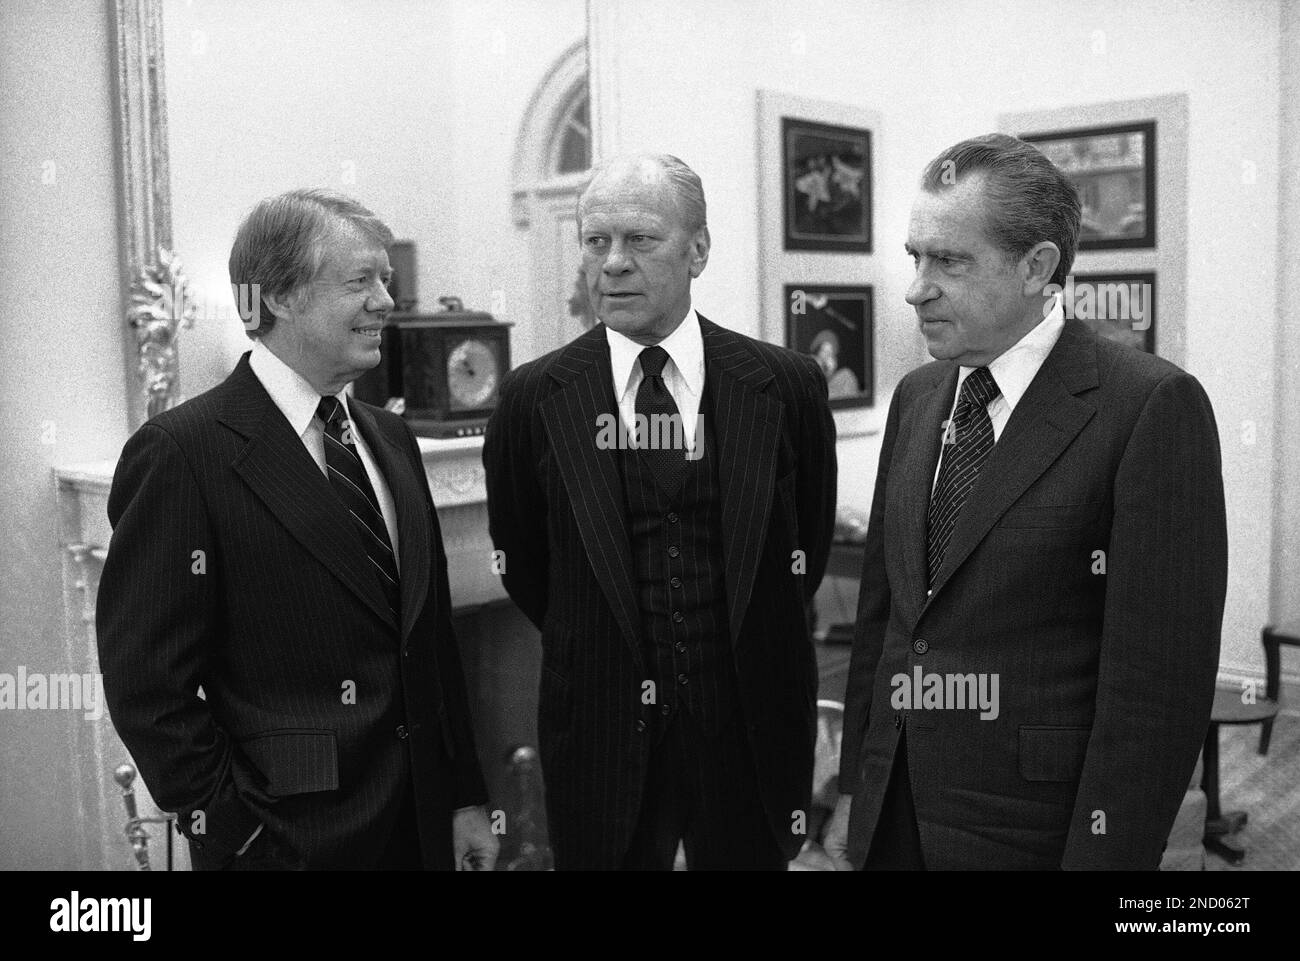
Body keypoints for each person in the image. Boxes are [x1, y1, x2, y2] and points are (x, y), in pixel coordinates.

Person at [823, 134, 1227, 870]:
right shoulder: (917, 398)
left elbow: (1156, 696)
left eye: (949, 260)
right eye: (915, 256)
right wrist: (856, 784)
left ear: (1038, 267)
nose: (917, 286)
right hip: (895, 819)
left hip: (1037, 834)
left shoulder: (1147, 408)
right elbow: (885, 621)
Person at [96, 189, 497, 871]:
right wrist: (238, 832)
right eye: (359, 281)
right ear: (278, 297)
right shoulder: (182, 453)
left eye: (385, 281)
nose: (385, 302)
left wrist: (463, 797)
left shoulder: (392, 437)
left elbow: (430, 645)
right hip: (284, 842)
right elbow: (146, 686)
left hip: (422, 827)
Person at [483, 154, 837, 870]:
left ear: (697, 250)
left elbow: (804, 550)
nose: (612, 263)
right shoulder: (531, 399)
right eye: (595, 240)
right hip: (601, 742)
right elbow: (528, 568)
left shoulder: (786, 385)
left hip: (749, 734)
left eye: (639, 240)